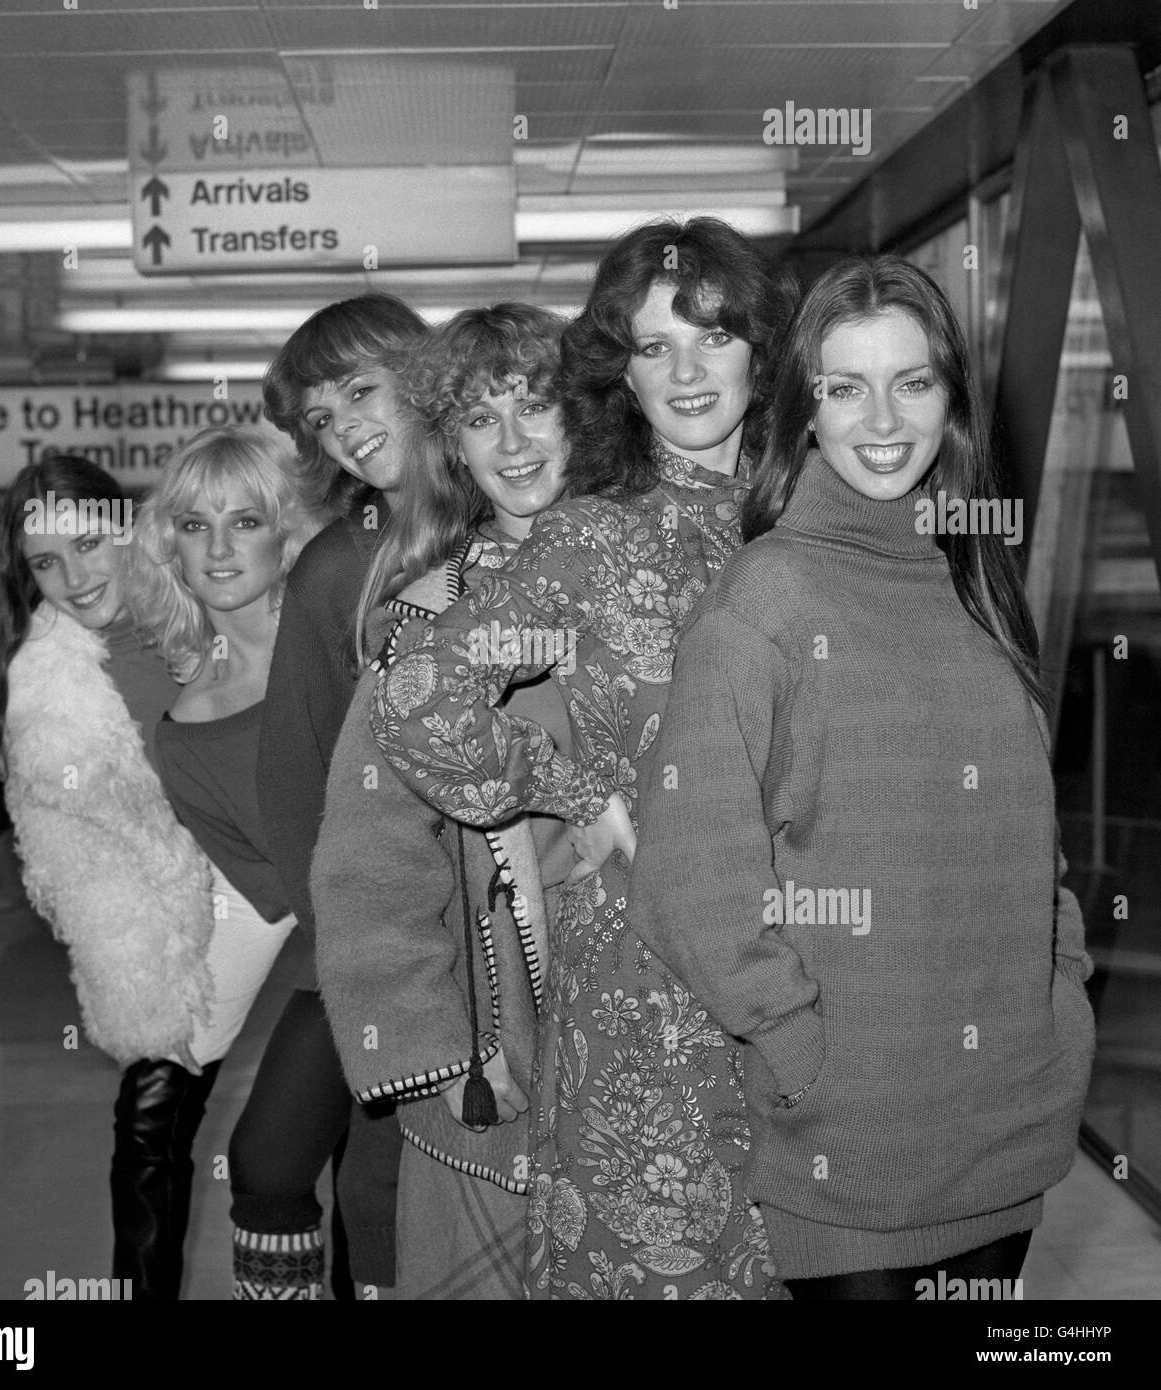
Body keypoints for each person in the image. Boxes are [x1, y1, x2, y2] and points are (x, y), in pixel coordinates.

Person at [629, 254, 1096, 1299]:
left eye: (913, 381)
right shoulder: (768, 594)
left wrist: (1062, 997)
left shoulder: (973, 576)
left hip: (1009, 1119)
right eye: (845, 387)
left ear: (951, 401)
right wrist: (800, 1052)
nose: (883, 418)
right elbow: (688, 874)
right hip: (847, 1142)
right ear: (804, 411)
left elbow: (1028, 833)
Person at [370, 218, 798, 1298]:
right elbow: (421, 701)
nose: (689, 370)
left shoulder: (813, 523)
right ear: (622, 372)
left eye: (712, 334)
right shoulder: (595, 537)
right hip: (651, 986)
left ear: (762, 348)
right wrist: (580, 791)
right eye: (655, 346)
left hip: (821, 958)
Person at [314, 304, 575, 1299]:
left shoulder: (670, 591)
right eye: (479, 419)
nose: (512, 442)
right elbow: (369, 857)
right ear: (453, 448)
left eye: (535, 405)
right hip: (489, 1071)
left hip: (656, 1048)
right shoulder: (430, 618)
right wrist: (421, 1048)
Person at [0, 455, 216, 1301]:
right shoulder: (47, 690)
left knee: (312, 1141)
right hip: (180, 913)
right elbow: (93, 865)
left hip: (299, 888)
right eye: (44, 561)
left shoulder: (213, 604)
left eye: (88, 544)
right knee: (151, 1115)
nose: (73, 578)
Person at [227, 294, 426, 1298]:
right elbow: (294, 777)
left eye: (359, 387)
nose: (342, 422)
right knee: (323, 1176)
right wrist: (353, 933)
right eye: (319, 413)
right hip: (382, 940)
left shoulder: (530, 523)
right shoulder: (335, 568)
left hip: (537, 939)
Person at [128, 427, 320, 1281]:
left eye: (244, 521)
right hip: (340, 957)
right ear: (169, 541)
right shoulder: (187, 727)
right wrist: (168, 1050)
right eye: (195, 525)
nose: (217, 547)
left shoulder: (346, 641)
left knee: (358, 1187)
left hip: (440, 935)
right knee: (267, 1169)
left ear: (286, 531)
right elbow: (264, 899)